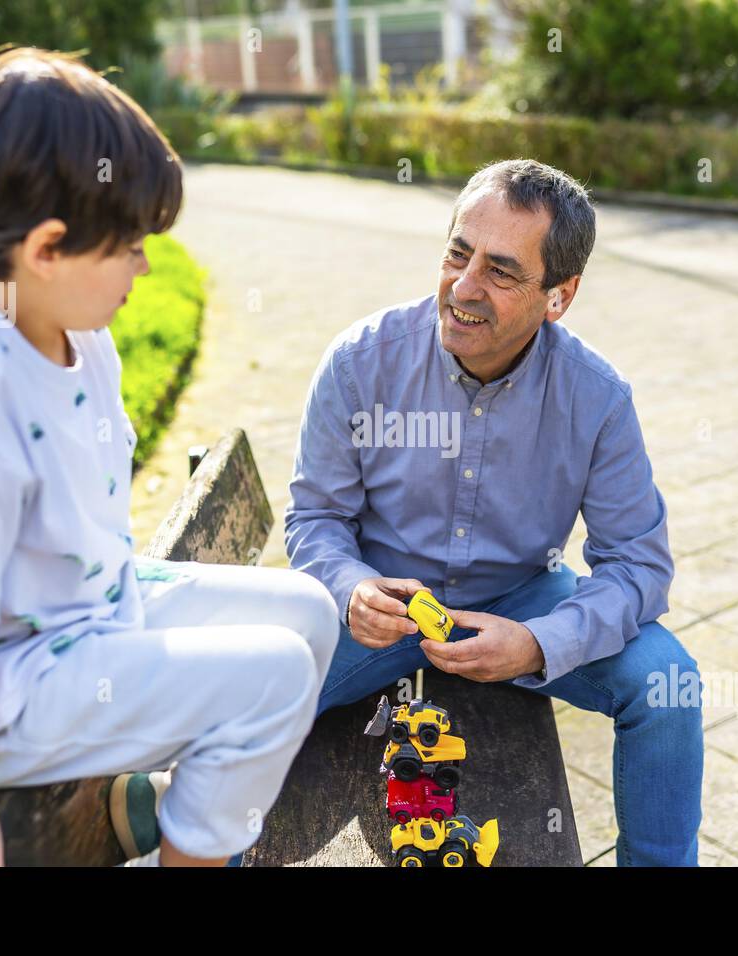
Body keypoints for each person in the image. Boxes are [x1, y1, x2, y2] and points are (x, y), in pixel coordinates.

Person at [0, 48, 338, 868]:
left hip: (87, 611)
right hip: (4, 691)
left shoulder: (79, 332)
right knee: (276, 675)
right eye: (130, 246)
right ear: (46, 249)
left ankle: (153, 818)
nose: (146, 264)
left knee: (311, 614)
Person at [285, 159, 704, 866]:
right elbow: (315, 519)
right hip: (382, 603)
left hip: (523, 599)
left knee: (670, 686)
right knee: (245, 699)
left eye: (502, 271)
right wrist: (350, 587)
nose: (464, 287)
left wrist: (541, 642)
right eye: (457, 252)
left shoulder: (597, 399)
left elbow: (638, 565)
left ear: (560, 296)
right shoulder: (360, 362)